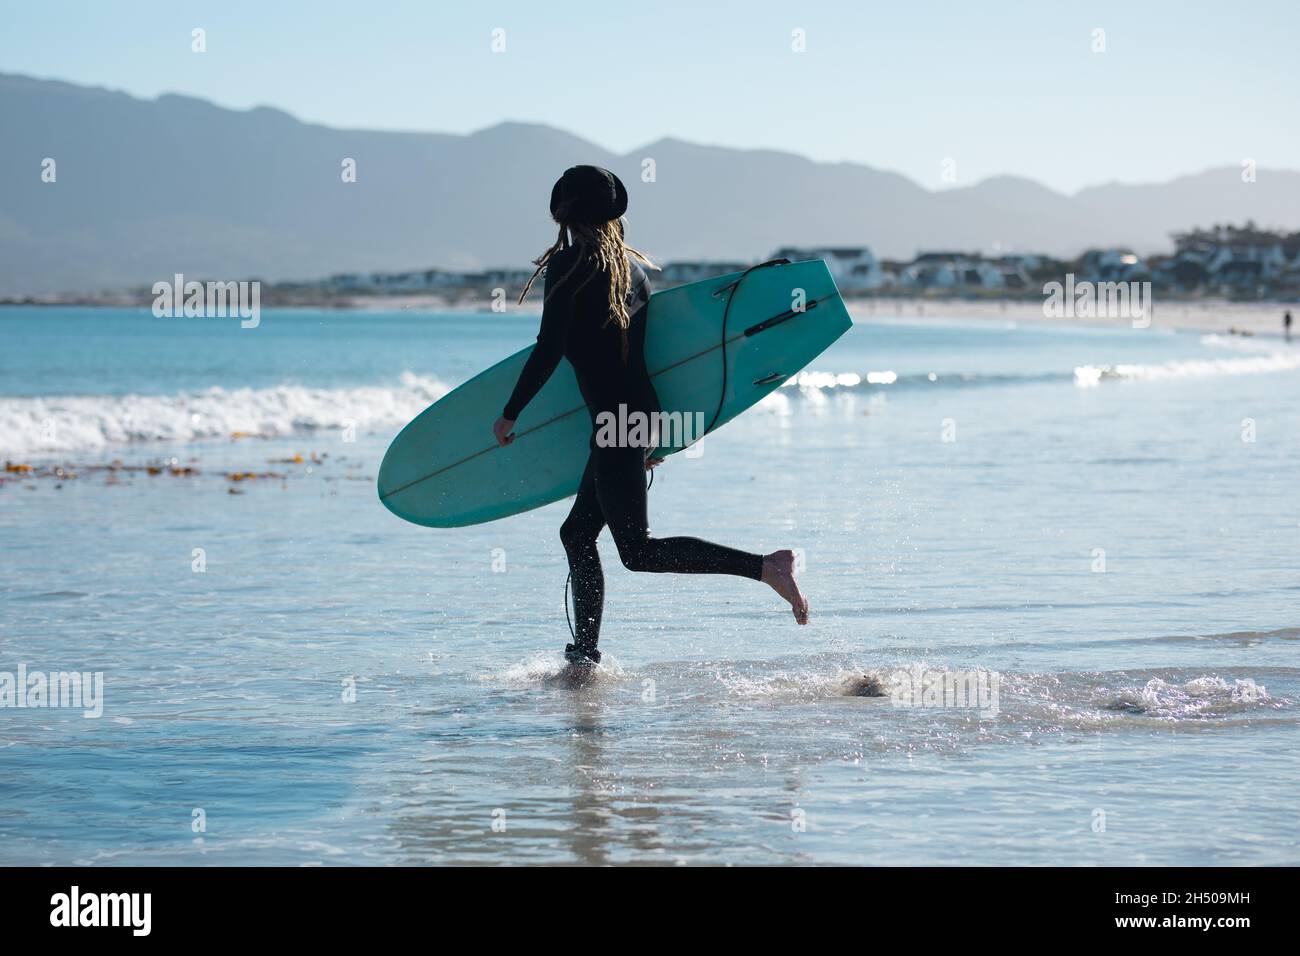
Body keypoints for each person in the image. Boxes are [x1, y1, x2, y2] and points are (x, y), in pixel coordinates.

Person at [493, 165, 809, 667]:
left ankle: (766, 567)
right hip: (634, 417)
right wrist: (645, 439)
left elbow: (549, 348)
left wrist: (510, 414)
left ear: (564, 215)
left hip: (618, 422)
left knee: (637, 552)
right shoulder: (630, 269)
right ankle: (584, 655)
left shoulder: (570, 266)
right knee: (577, 534)